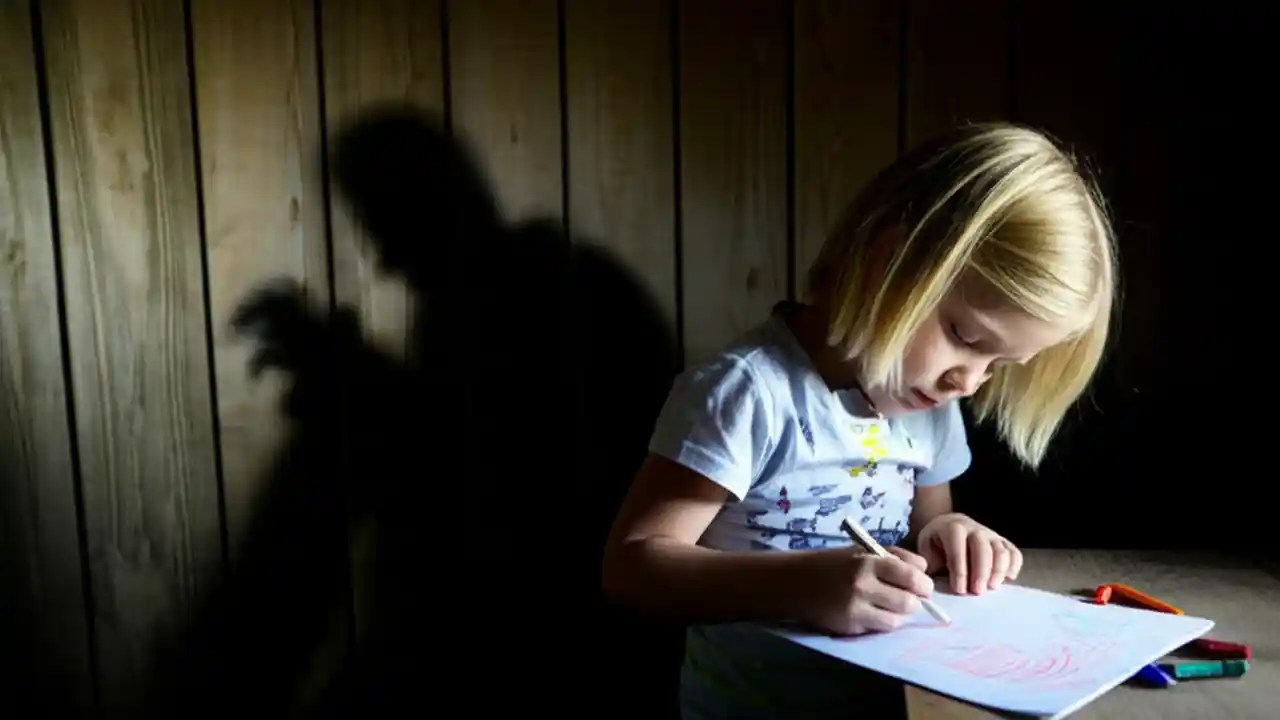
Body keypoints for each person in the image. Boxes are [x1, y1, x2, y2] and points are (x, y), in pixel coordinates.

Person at [600, 122, 1118, 719]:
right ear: (886, 257)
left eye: (997, 365)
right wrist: (798, 587)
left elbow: (927, 528)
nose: (967, 381)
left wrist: (951, 536)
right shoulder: (748, 395)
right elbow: (632, 566)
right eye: (965, 337)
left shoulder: (928, 405)